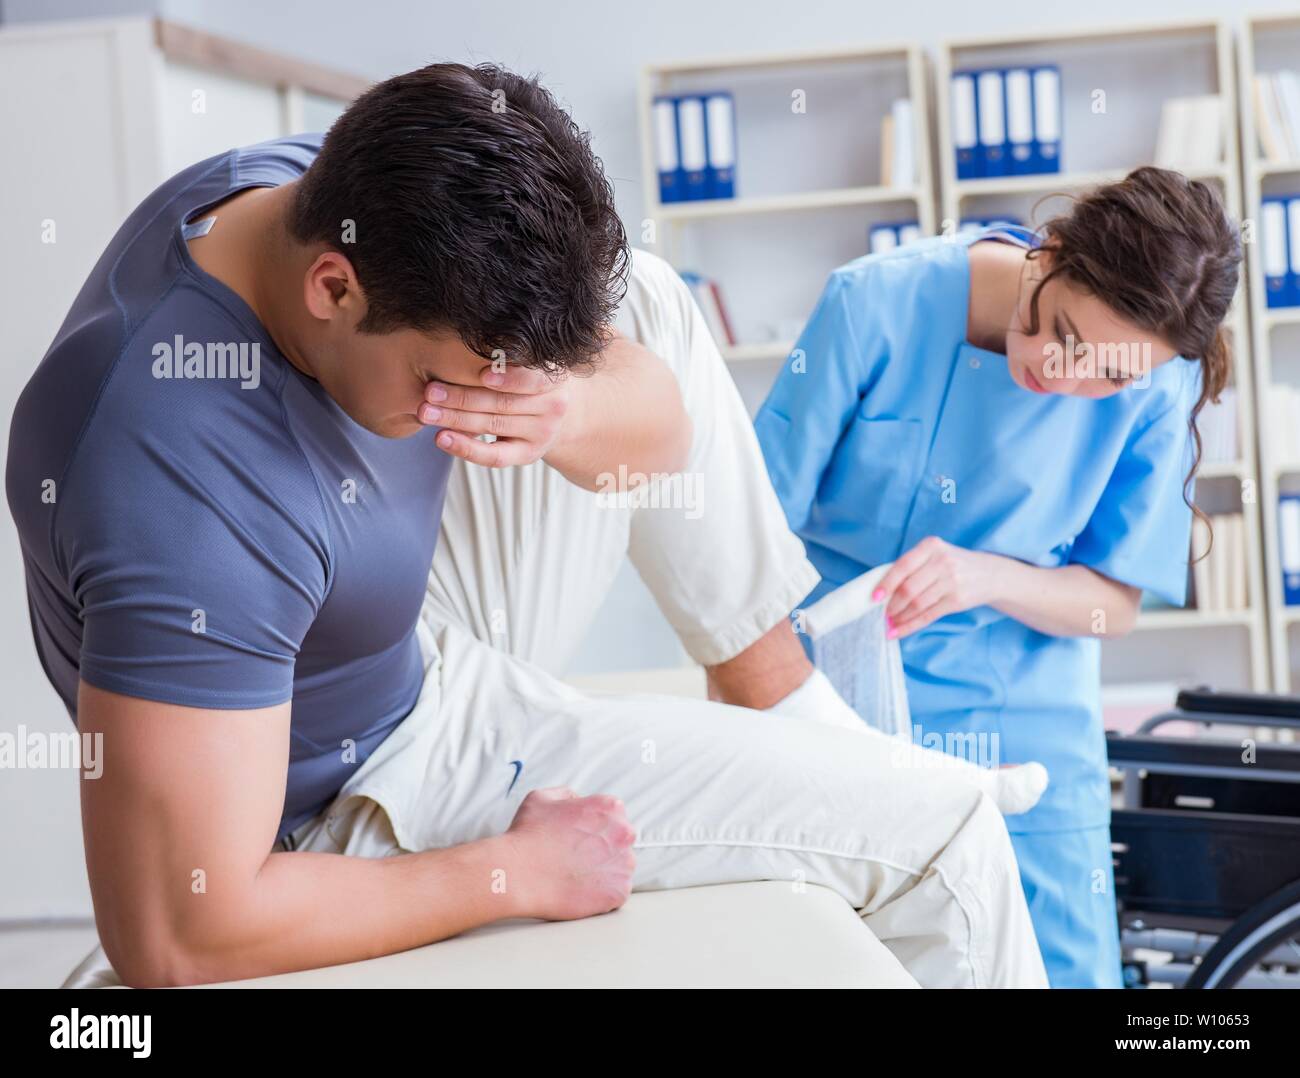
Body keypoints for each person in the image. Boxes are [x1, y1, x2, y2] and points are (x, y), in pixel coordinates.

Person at [9, 61, 1047, 989]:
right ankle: (811, 730)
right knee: (947, 834)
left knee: (641, 293)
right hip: (355, 794)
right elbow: (181, 933)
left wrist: (560, 408)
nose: (456, 414)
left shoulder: (312, 186)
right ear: (334, 287)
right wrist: (509, 871)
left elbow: (660, 426)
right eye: (444, 384)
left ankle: (785, 695)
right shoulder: (184, 471)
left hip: (406, 640)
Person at [755, 169, 1242, 987]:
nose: (1063, 376)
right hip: (839, 700)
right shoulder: (876, 304)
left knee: (1059, 970)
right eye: (1058, 331)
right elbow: (753, 539)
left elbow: (1111, 605)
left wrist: (986, 576)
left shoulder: (1162, 379)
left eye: (1108, 378)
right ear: (1048, 251)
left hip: (1027, 717)